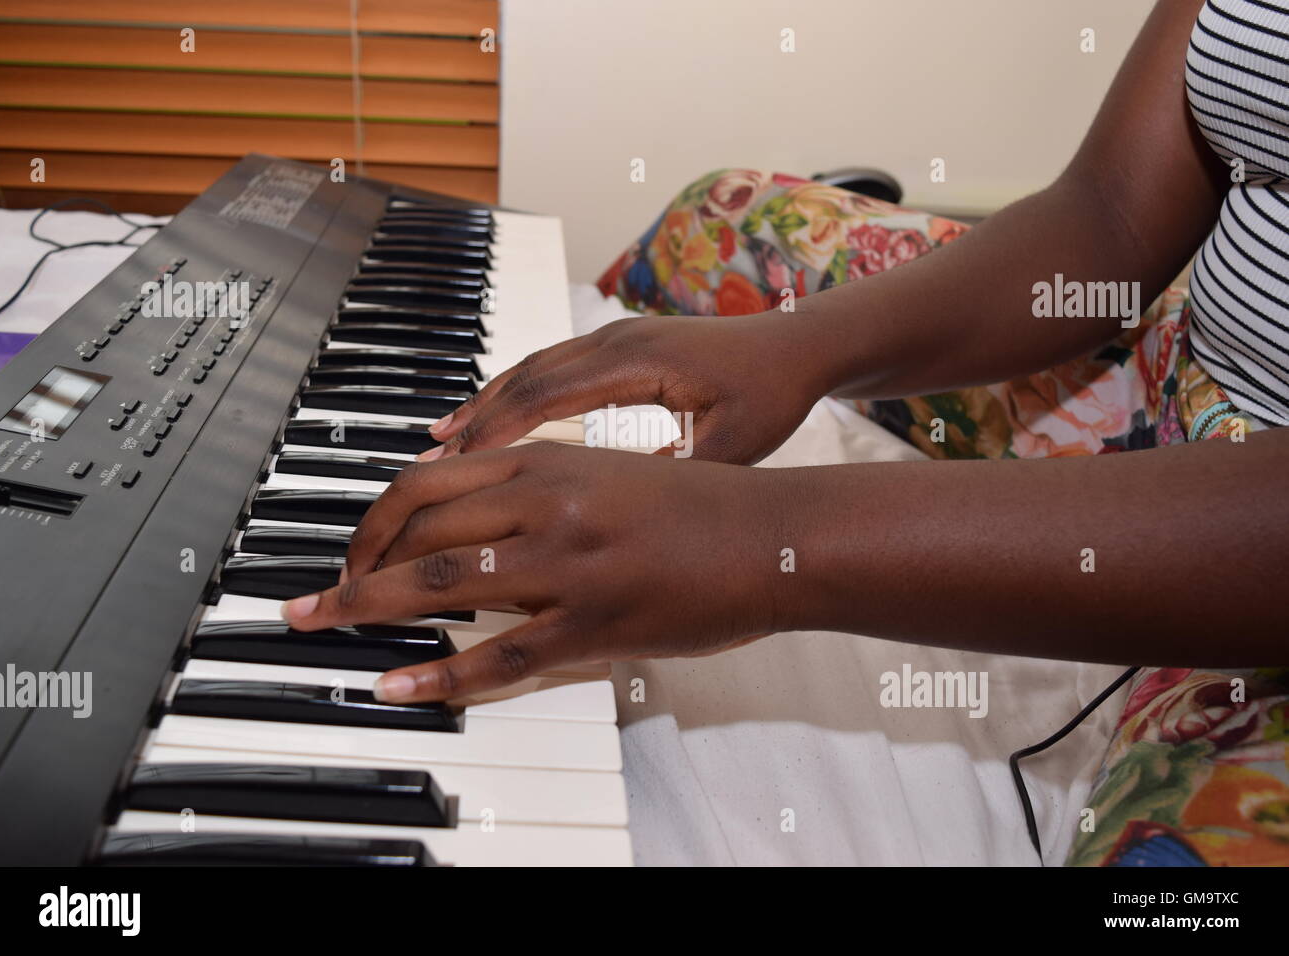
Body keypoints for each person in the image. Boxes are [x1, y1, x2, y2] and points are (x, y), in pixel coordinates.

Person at [282, 0, 1289, 865]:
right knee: (715, 229)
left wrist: (763, 538)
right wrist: (792, 347)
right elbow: (1111, 215)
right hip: (1177, 379)